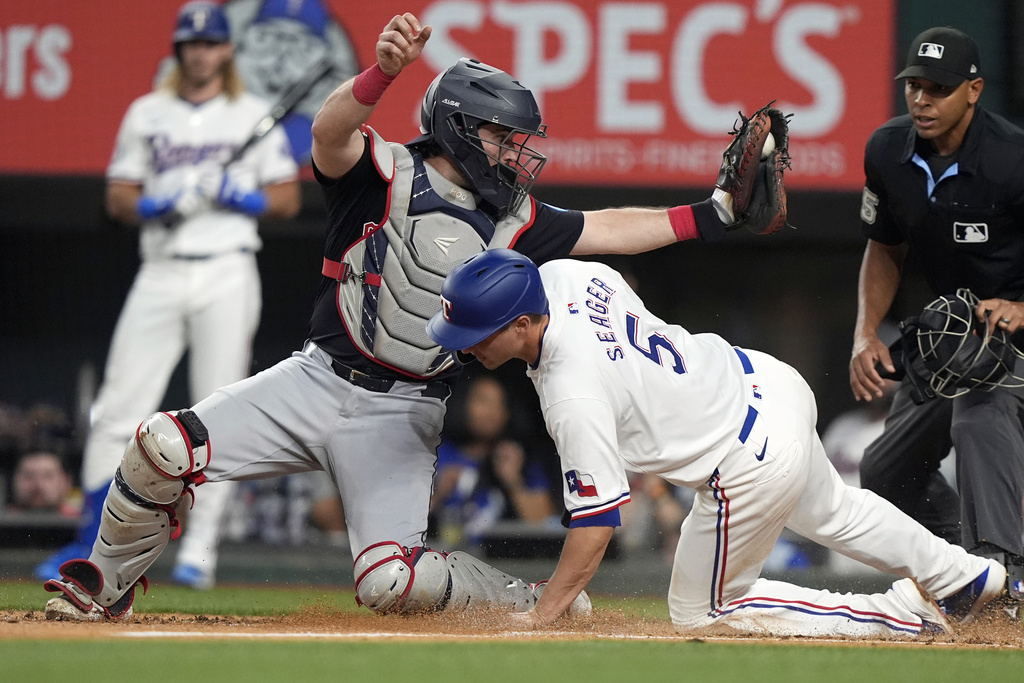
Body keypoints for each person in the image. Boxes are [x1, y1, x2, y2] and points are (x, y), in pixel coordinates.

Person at [41, 11, 775, 621]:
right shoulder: (381, 170)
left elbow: (610, 227)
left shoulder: (511, 217)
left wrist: (713, 213)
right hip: (316, 379)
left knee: (388, 581)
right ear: (459, 127)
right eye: (500, 138)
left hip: (403, 414)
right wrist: (380, 74)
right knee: (162, 444)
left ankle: (520, 597)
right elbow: (328, 135)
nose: (513, 155)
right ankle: (102, 583)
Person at [426, 248, 1007, 635]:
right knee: (837, 511)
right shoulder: (565, 275)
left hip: (745, 455)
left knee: (702, 612)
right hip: (765, 381)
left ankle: (900, 616)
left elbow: (597, 524)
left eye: (478, 333)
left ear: (524, 324)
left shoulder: (570, 392)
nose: (467, 346)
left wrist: (546, 613)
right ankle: (963, 576)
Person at [35, 1, 301, 591]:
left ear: (226, 50)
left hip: (228, 269)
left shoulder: (250, 112)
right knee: (116, 410)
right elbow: (118, 197)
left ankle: (198, 554)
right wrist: (158, 203)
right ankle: (89, 537)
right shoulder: (147, 111)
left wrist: (241, 198)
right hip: (161, 268)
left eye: (209, 44)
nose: (199, 53)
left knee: (216, 413)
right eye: (190, 45)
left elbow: (286, 199)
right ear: (178, 50)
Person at [849, 26, 1024, 601]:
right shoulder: (887, 151)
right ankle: (960, 565)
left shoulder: (1012, 159)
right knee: (885, 473)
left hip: (1016, 334)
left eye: (939, 89)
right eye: (914, 86)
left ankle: (1005, 580)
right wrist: (865, 333)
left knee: (980, 417)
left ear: (974, 90)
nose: (922, 99)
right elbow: (885, 246)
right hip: (953, 336)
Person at [430, 374, 556, 548]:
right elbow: (404, 520)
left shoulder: (519, 460)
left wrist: (513, 481)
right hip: (440, 558)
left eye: (500, 403)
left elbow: (546, 526)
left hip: (501, 563)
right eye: (483, 401)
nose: (492, 411)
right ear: (463, 402)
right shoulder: (435, 453)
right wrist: (439, 492)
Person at [8, 452, 77, 516]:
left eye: (47, 476)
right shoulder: (5, 518)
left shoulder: (82, 523)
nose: (38, 484)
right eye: (28, 476)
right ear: (14, 480)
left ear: (67, 482)